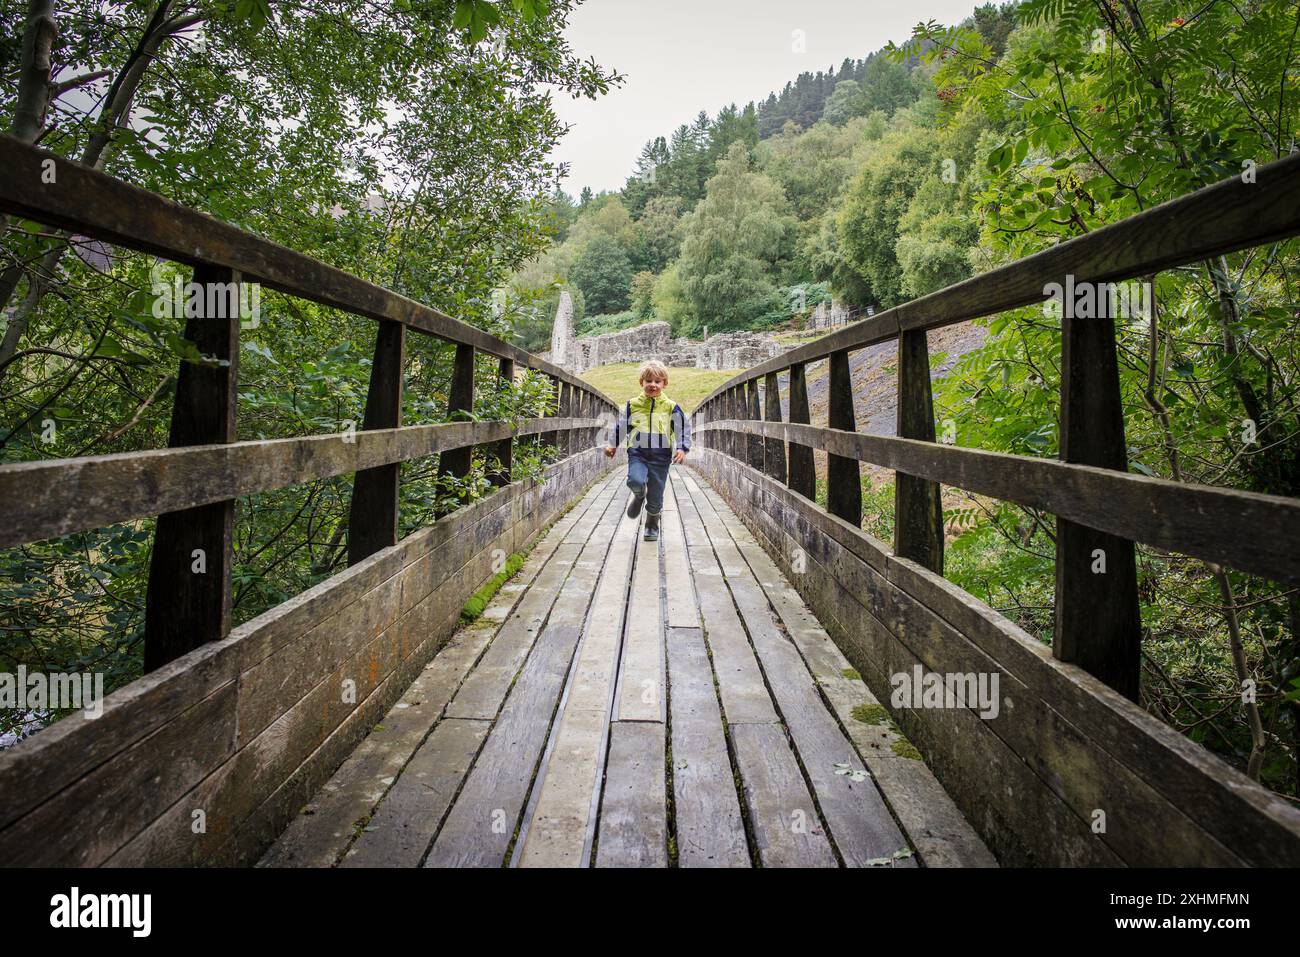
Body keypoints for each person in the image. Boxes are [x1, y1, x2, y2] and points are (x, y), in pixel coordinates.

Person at [603, 360, 691, 541]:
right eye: (648, 381)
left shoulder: (670, 406)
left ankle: (652, 523)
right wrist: (613, 444)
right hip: (638, 452)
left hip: (661, 456)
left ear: (664, 384)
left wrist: (682, 447)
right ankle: (638, 494)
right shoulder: (632, 404)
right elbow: (621, 426)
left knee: (656, 494)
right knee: (635, 480)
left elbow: (682, 428)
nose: (653, 385)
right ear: (641, 382)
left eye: (657, 381)